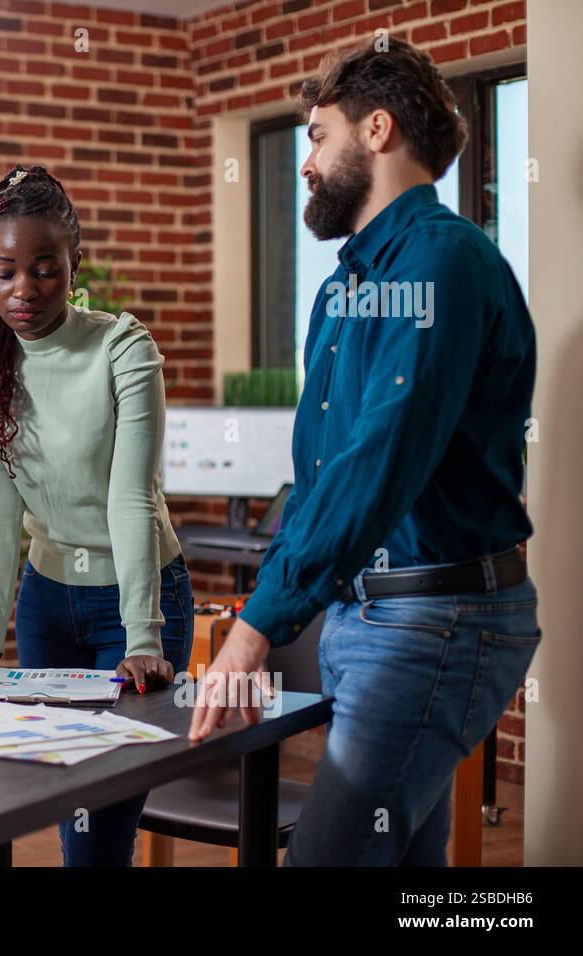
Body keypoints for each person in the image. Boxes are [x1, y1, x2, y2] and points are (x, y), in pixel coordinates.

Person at [189, 39, 540, 866]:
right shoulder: (343, 288)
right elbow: (317, 475)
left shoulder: (445, 263)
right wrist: (270, 612)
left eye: (316, 136)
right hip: (372, 615)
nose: (305, 161)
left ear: (377, 130)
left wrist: (254, 629)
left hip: (435, 620)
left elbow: (375, 465)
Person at [0, 165, 193, 866]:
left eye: (45, 269)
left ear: (73, 264)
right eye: (5, 271)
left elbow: (130, 496)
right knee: (64, 813)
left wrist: (144, 636)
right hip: (48, 603)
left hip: (138, 599)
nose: (24, 290)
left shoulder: (122, 349)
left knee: (102, 832)